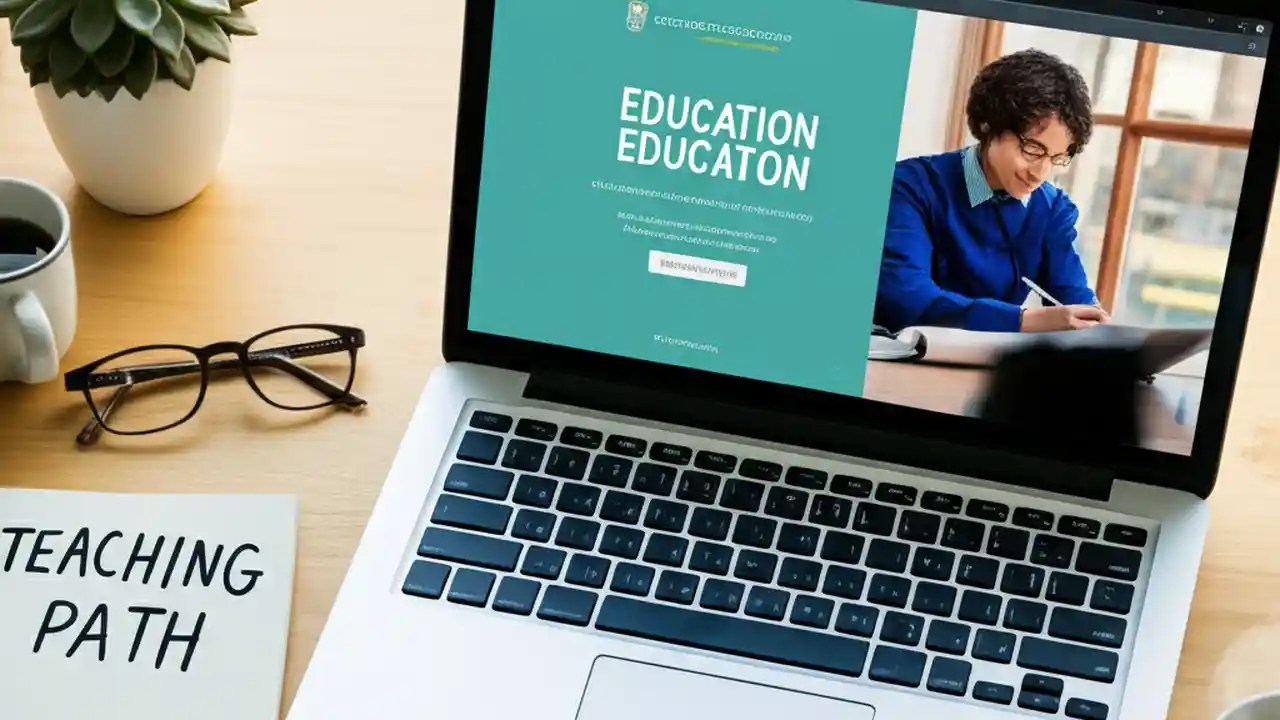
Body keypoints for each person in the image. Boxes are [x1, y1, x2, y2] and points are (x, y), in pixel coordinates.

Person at [874, 49, 1111, 334]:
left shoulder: (1052, 210)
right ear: (989, 124)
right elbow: (904, 298)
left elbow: (1076, 302)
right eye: (1032, 149)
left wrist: (1097, 327)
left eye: (1057, 157)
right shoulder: (911, 186)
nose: (1040, 172)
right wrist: (1022, 320)